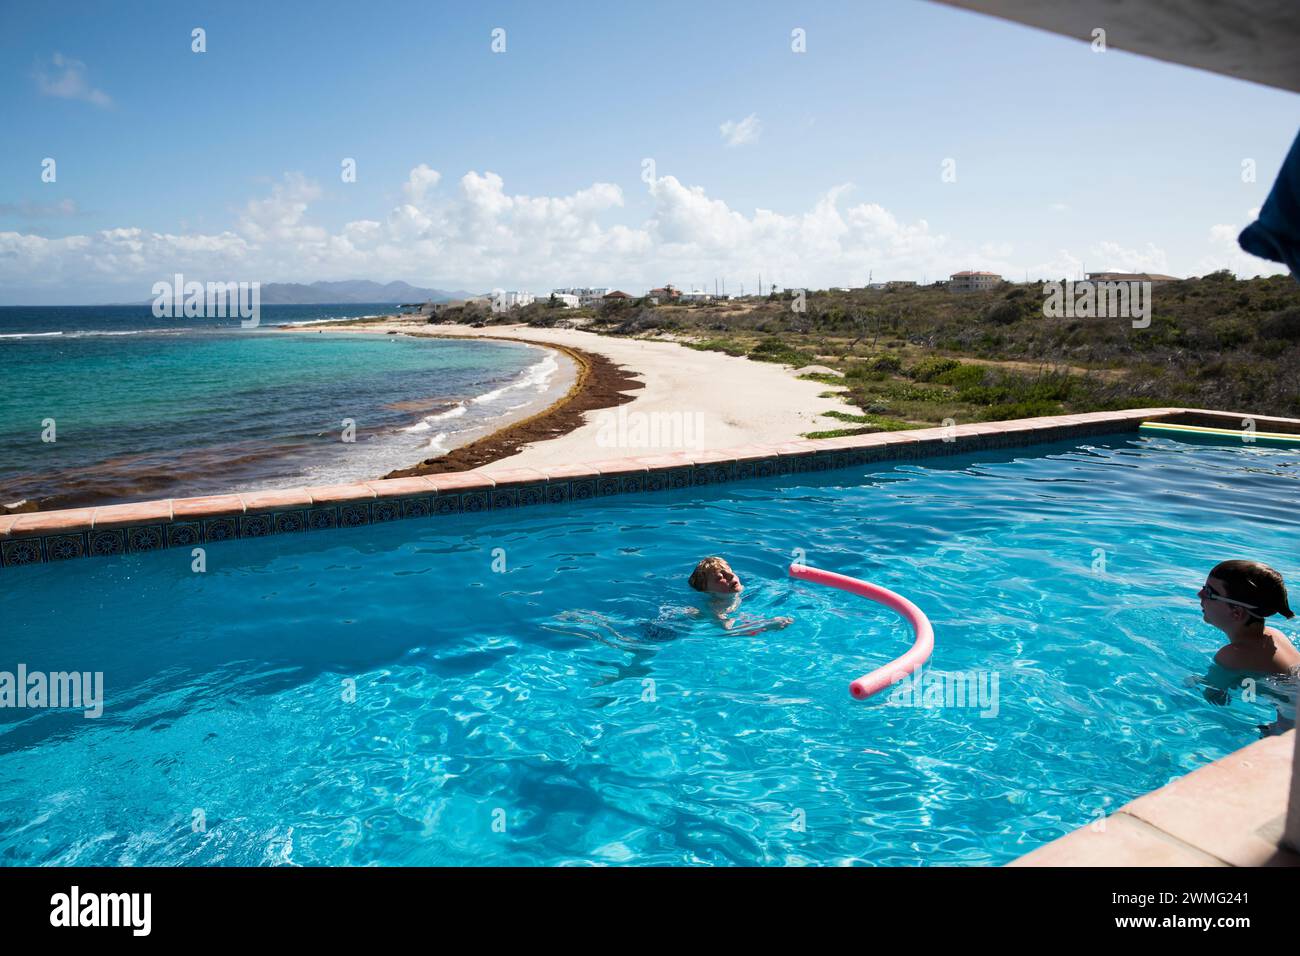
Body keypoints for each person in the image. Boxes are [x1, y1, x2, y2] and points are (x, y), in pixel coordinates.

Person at [1199, 559, 1299, 735]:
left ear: (1236, 612)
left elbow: (1214, 695)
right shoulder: (1275, 635)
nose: (1199, 594)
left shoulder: (1232, 655)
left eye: (1209, 592)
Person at [688, 556, 793, 634]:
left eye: (729, 571)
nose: (730, 576)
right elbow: (729, 631)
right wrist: (767, 625)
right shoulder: (714, 608)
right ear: (707, 591)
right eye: (720, 578)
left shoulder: (739, 591)